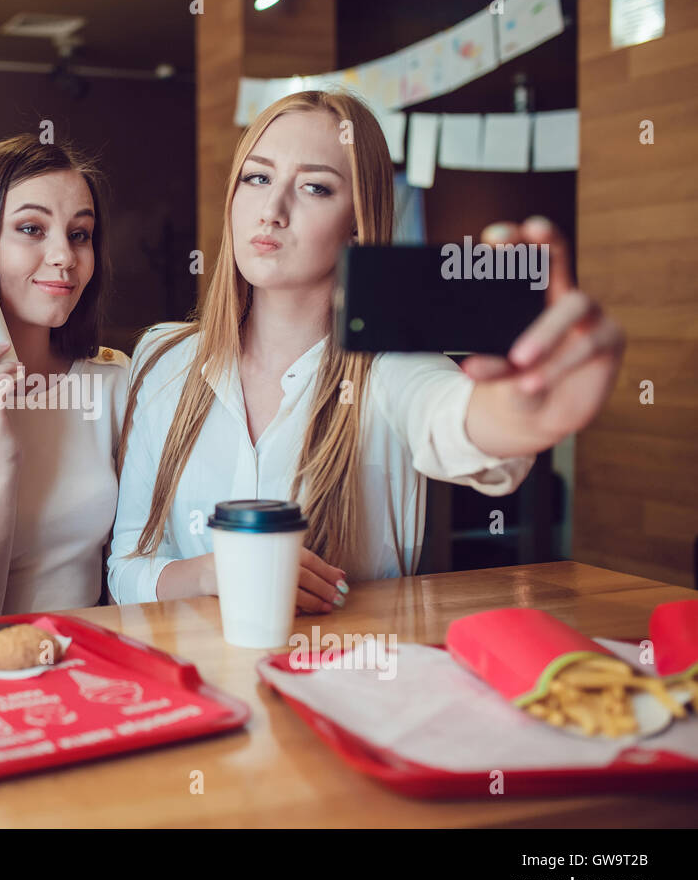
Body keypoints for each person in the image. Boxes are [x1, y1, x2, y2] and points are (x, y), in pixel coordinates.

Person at [108, 89, 624, 612]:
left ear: (357, 221)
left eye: (314, 187)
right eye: (257, 178)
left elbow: (457, 418)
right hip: (190, 684)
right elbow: (126, 566)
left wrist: (527, 407)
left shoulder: (392, 367)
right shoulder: (163, 358)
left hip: (350, 680)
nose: (272, 210)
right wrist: (209, 575)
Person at [0, 135, 129, 615]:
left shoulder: (115, 381)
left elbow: (128, 570)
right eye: (32, 229)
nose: (65, 256)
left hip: (91, 656)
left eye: (80, 234)